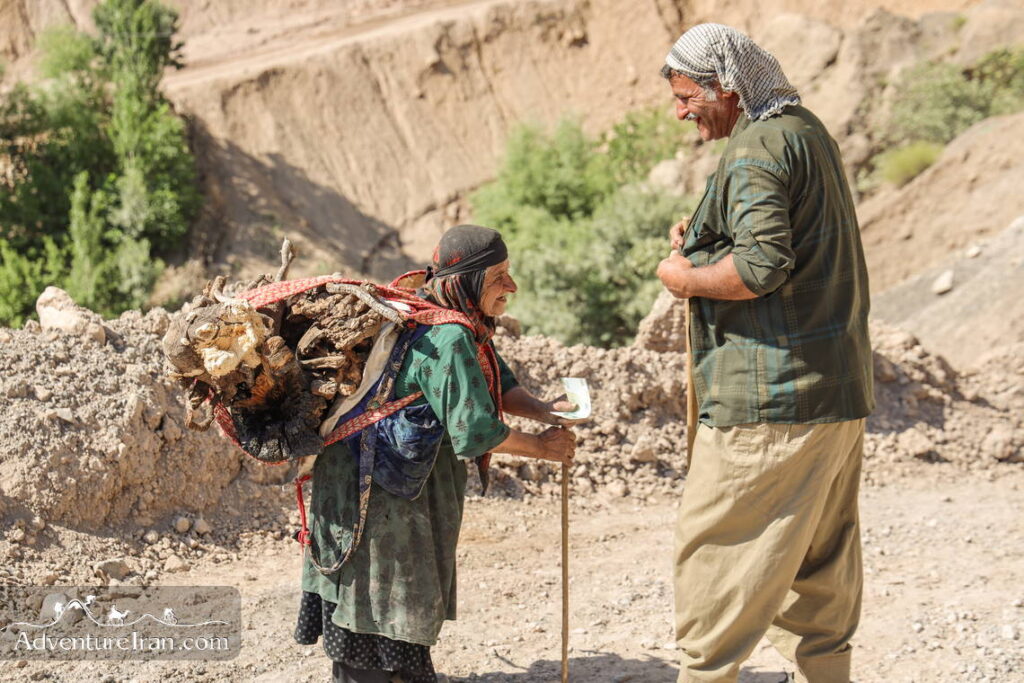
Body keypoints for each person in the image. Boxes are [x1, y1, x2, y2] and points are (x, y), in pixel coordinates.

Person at [655, 24, 874, 683]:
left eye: (688, 97)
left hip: (770, 400)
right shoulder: (803, 130)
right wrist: (705, 235)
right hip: (835, 391)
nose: (681, 111)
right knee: (820, 565)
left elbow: (761, 266)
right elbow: (787, 237)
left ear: (727, 86)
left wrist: (684, 278)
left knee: (715, 556)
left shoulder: (754, 150)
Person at [294, 224, 581, 683]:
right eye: (497, 277)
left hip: (365, 478)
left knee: (372, 597)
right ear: (465, 281)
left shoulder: (433, 310)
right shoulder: (447, 336)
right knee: (378, 599)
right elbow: (476, 432)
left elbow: (494, 381)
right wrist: (543, 448)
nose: (511, 286)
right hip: (381, 495)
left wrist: (543, 409)